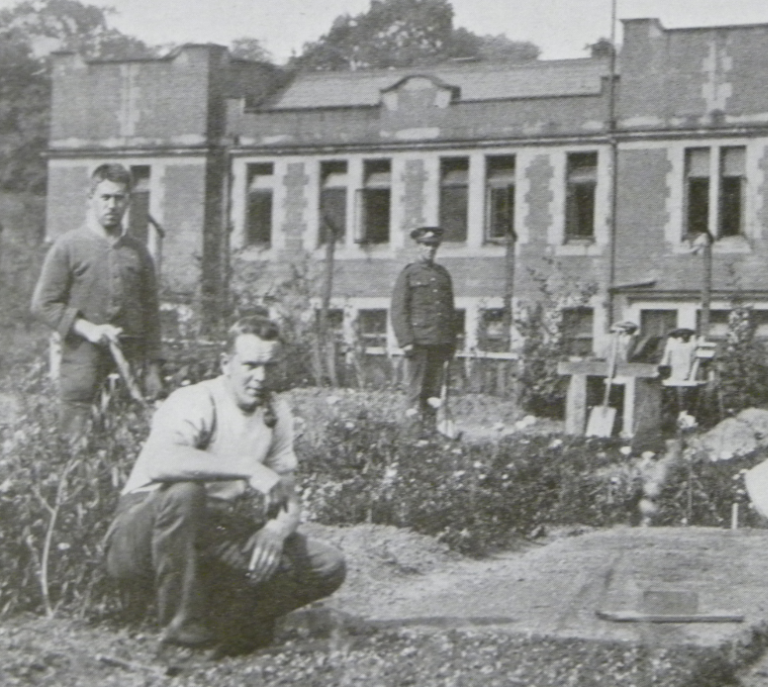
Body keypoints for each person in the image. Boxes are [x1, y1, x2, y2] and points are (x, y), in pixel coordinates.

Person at [103, 316, 346, 656]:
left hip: (209, 532)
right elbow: (160, 462)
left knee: (327, 564)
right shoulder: (197, 400)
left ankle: (224, 623)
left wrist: (275, 531)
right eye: (250, 365)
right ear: (226, 363)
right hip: (141, 535)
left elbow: (286, 494)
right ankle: (182, 640)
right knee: (186, 493)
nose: (260, 377)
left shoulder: (276, 412)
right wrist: (245, 467)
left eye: (269, 366)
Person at [31, 163, 162, 437]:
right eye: (105, 197)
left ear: (128, 201)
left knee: (125, 446)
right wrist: (88, 329)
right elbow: (43, 304)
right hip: (81, 369)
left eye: (119, 198)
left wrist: (153, 368)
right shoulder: (68, 246)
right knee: (76, 450)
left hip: (128, 370)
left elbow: (152, 314)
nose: (112, 205)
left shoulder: (138, 252)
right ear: (90, 199)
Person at [390, 226, 457, 431]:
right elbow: (398, 309)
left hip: (440, 342)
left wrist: (451, 343)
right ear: (418, 246)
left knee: (434, 394)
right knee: (415, 391)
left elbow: (449, 310)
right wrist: (406, 340)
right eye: (426, 245)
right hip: (417, 343)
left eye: (434, 246)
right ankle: (411, 434)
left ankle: (428, 434)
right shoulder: (410, 273)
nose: (430, 249)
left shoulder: (442, 274)